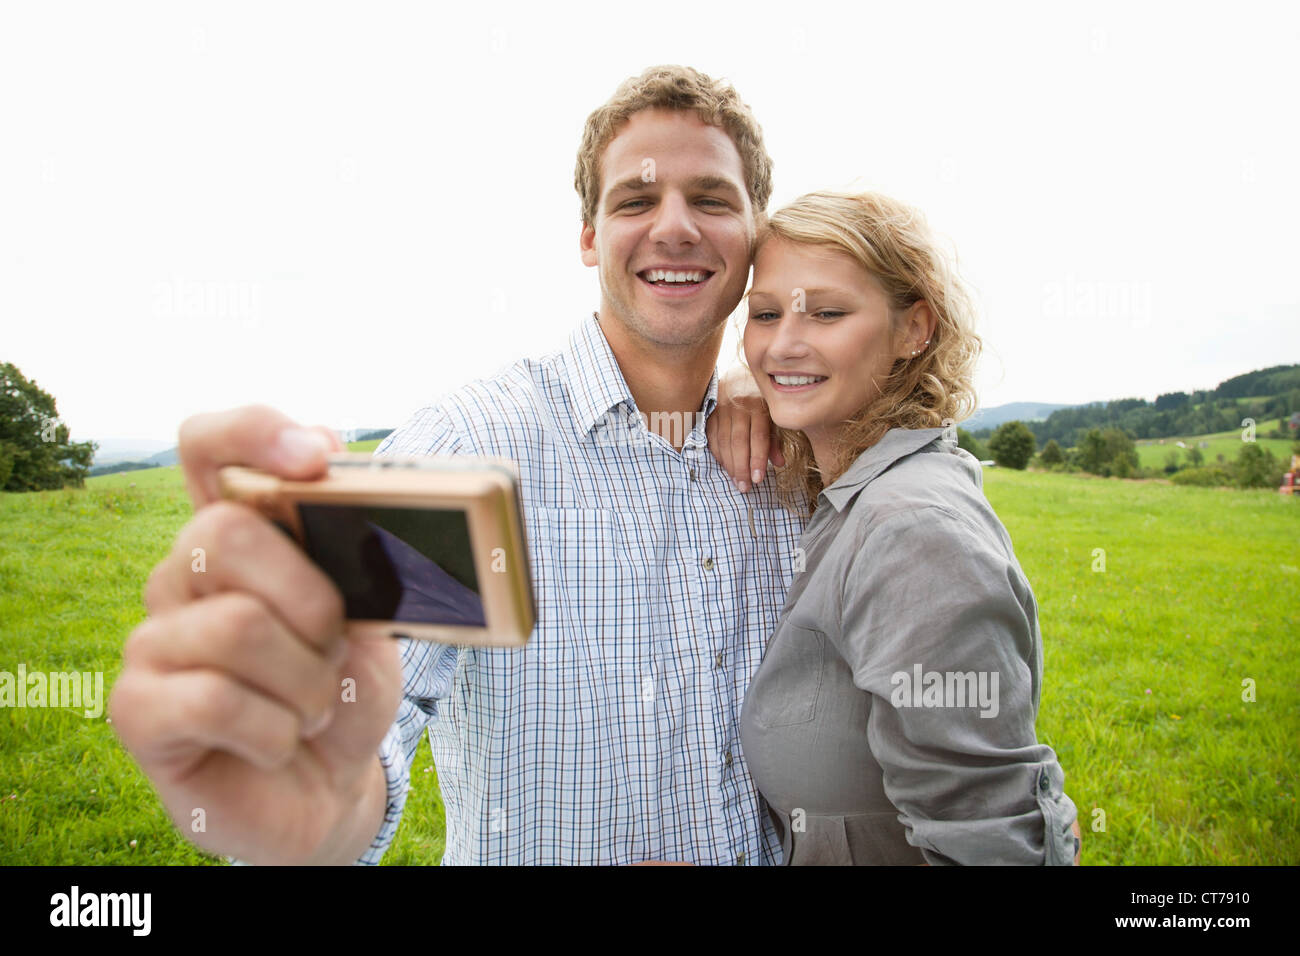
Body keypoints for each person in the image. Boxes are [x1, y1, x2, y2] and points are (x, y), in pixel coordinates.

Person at [108, 65, 805, 865]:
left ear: (756, 231)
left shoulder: (791, 454)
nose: (674, 226)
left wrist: (758, 379)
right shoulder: (466, 448)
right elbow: (371, 720)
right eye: (636, 201)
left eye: (712, 198)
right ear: (588, 236)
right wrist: (312, 805)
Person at [734, 190, 1081, 864]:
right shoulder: (848, 491)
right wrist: (735, 391)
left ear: (913, 329)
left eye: (827, 313)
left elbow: (990, 845)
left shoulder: (911, 531)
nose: (782, 344)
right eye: (765, 314)